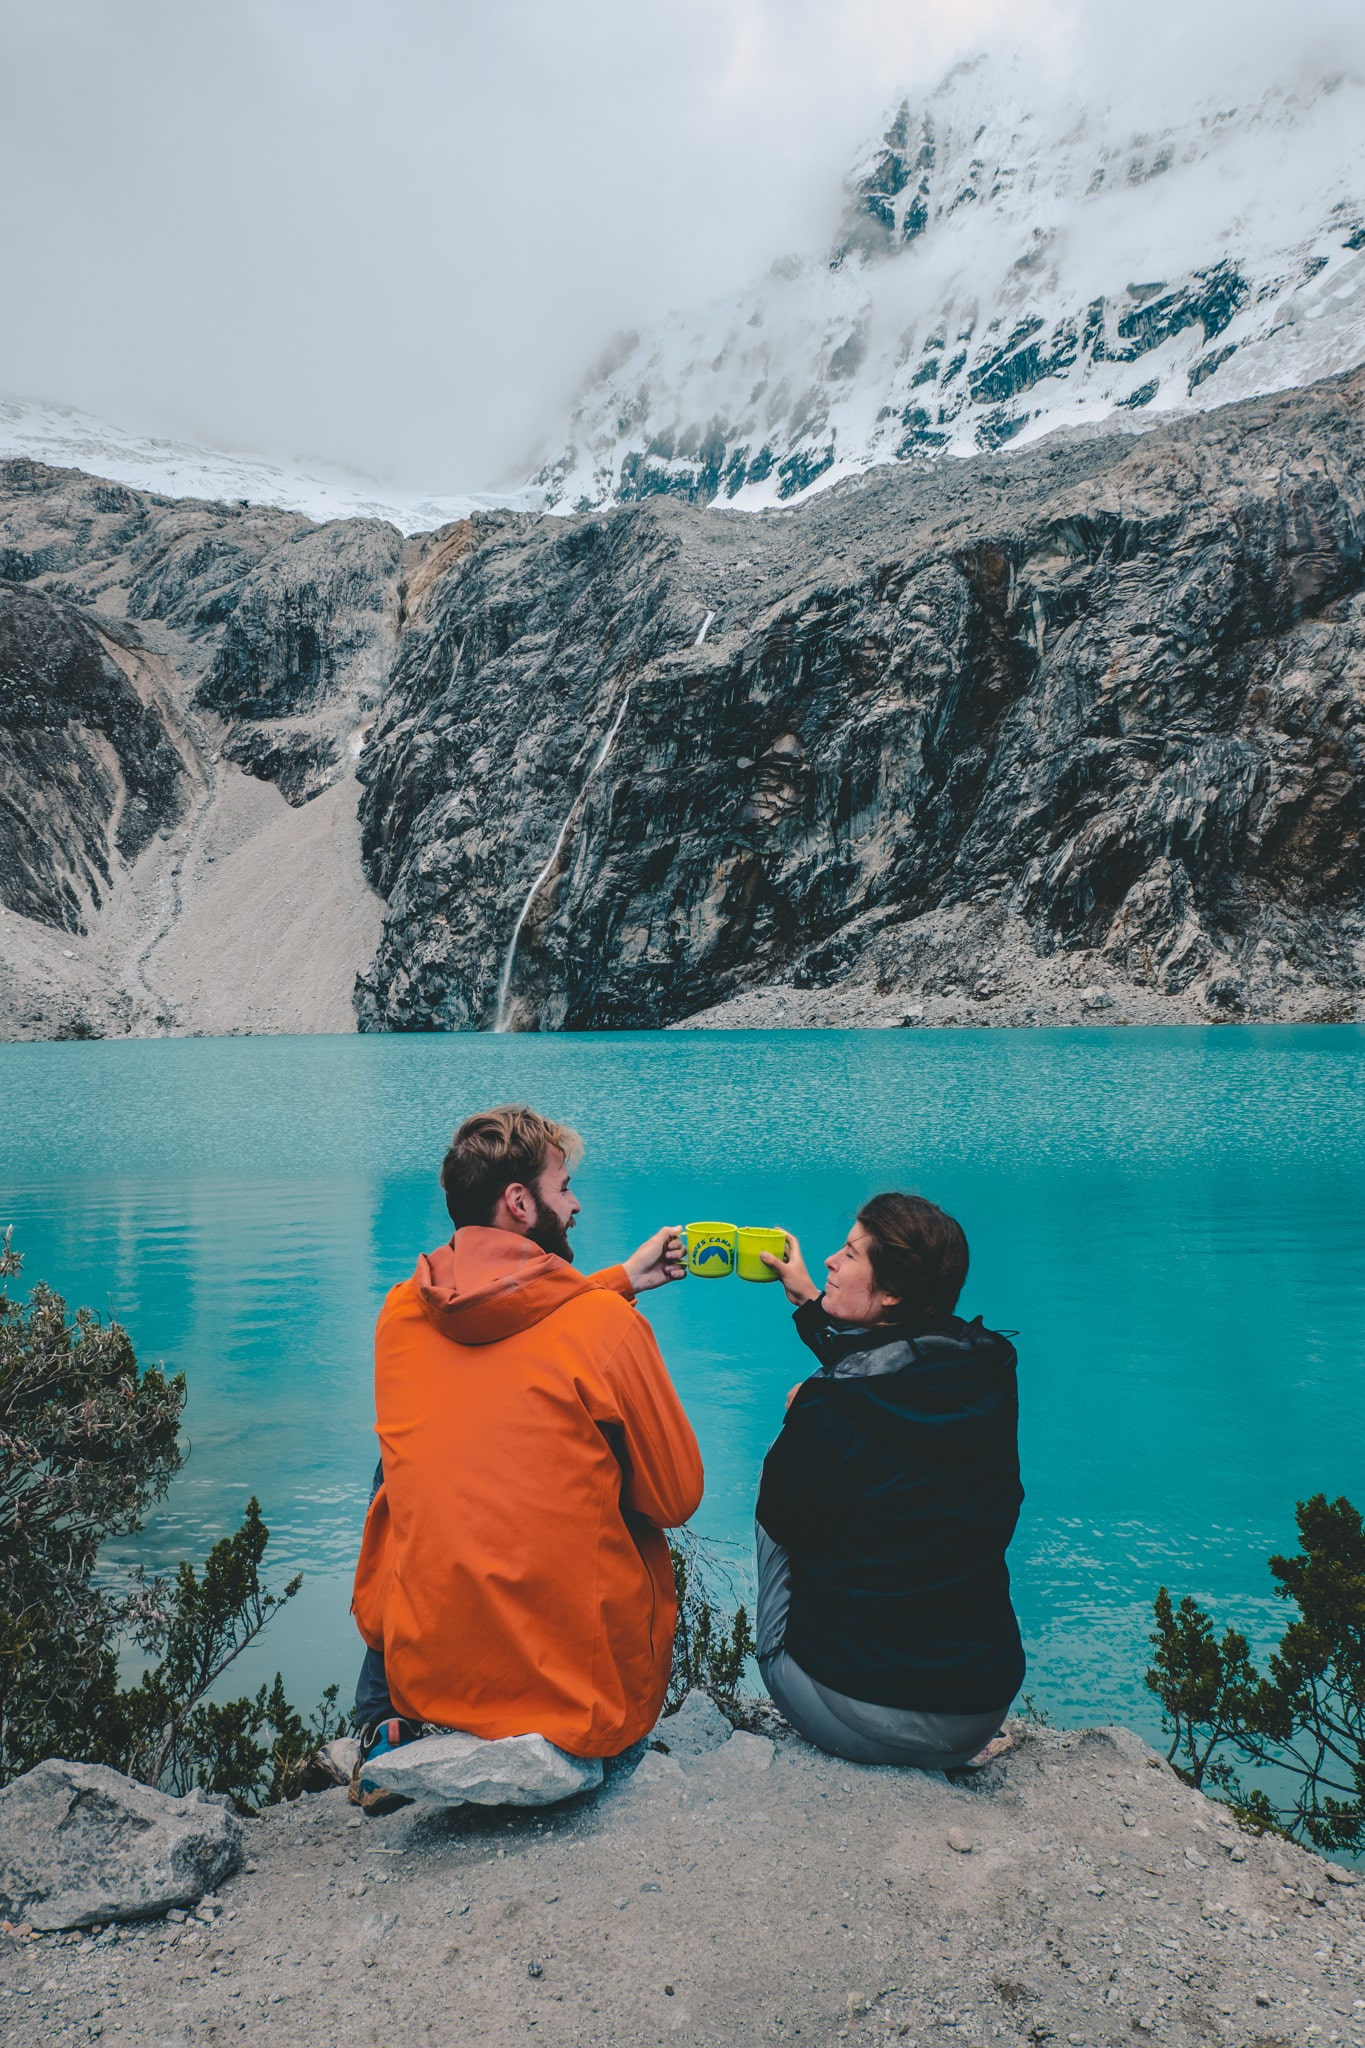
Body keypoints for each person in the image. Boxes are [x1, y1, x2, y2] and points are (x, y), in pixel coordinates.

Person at [350, 1104, 703, 1781]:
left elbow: (507, 1329)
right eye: (563, 1187)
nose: (576, 1206)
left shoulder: (399, 1312)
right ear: (518, 1202)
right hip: (582, 1706)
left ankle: (382, 1720)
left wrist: (621, 1280)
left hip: (433, 1686)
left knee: (410, 1460)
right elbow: (677, 1500)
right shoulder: (604, 1330)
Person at [754, 1193, 1024, 1770]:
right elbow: (889, 1363)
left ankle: (796, 1651)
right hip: (979, 1711)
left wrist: (802, 1413)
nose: (829, 1260)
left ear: (893, 1292)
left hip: (858, 1713)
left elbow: (785, 1517)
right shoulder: (985, 1372)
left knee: (783, 1476)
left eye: (849, 1255)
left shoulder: (829, 1404)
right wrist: (807, 1298)